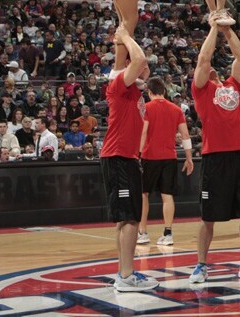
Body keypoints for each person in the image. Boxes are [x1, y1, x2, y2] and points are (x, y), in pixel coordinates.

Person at [189, 14, 240, 283]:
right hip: (214, 159)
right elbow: (203, 59)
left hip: (239, 157)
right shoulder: (201, 92)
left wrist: (227, 30)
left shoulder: (234, 87)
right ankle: (201, 265)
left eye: (214, 70)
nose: (211, 70)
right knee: (207, 217)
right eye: (208, 71)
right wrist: (213, 28)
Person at [99, 26, 159, 292]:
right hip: (118, 157)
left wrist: (122, 40)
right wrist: (124, 36)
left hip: (125, 158)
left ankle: (124, 273)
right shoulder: (118, 86)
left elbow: (138, 62)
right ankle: (125, 276)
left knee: (126, 219)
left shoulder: (134, 92)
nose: (146, 68)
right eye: (141, 67)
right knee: (131, 218)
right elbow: (139, 59)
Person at [138, 76, 194, 246]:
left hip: (149, 156)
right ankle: (168, 233)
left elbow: (143, 132)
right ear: (163, 90)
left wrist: (138, 154)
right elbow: (185, 135)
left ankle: (142, 232)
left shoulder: (146, 108)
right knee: (167, 196)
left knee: (143, 194)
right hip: (170, 157)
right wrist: (189, 158)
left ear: (149, 92)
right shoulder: (176, 109)